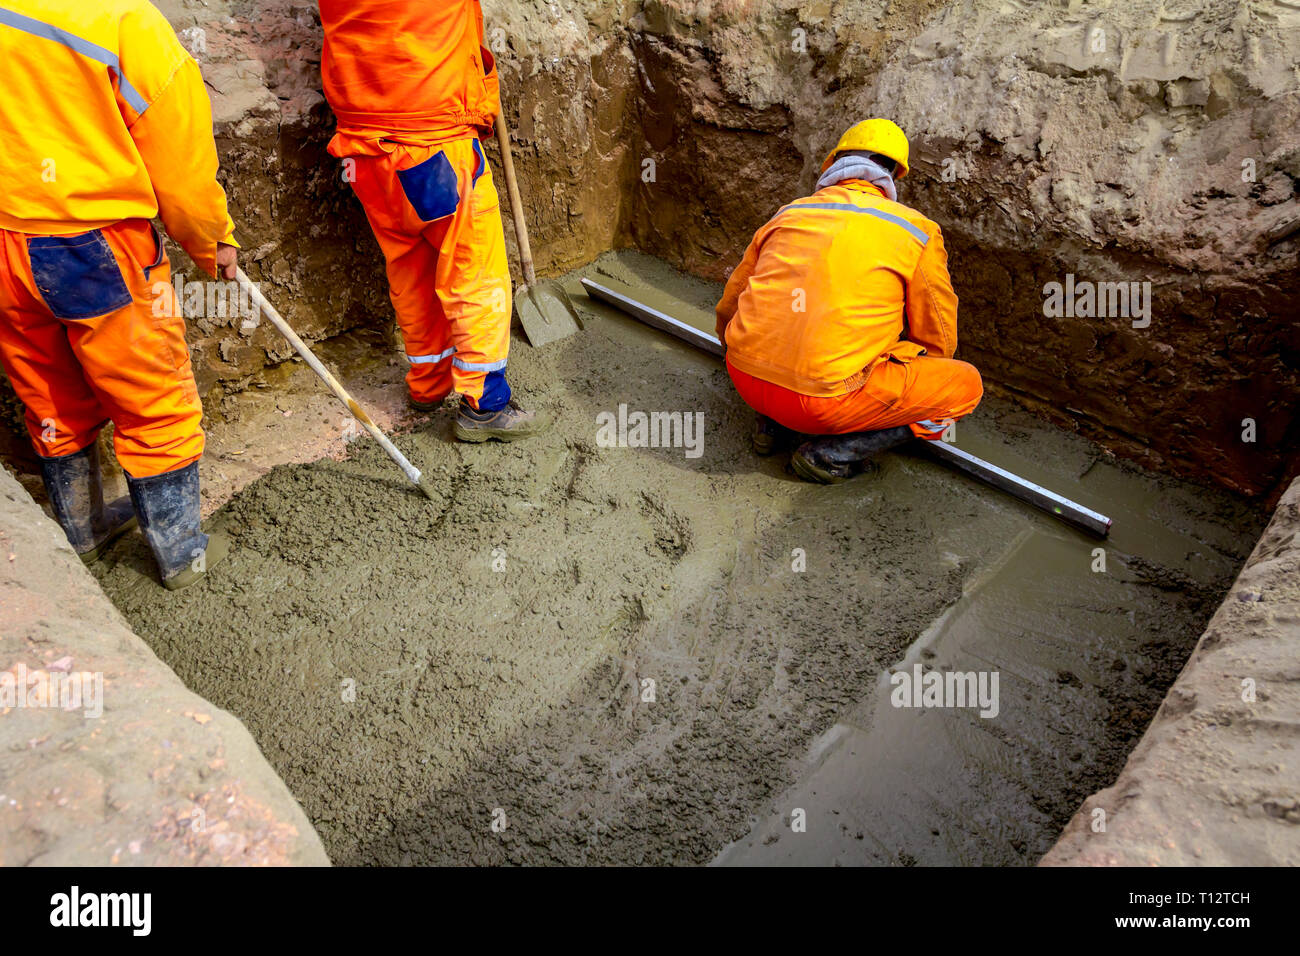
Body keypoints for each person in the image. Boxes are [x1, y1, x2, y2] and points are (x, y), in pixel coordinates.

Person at [0, 0, 238, 588]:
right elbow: (181, 170)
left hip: (6, 241)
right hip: (93, 244)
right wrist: (213, 243)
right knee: (151, 396)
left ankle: (82, 529)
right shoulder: (123, 20)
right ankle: (181, 552)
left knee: (47, 388)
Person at [318, 0, 548, 441]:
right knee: (473, 274)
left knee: (410, 268)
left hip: (364, 152)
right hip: (434, 147)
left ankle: (427, 385)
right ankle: (487, 404)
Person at [716, 118, 983, 483]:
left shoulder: (789, 213)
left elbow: (730, 305)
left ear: (834, 165)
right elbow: (936, 331)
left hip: (744, 377)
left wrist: (742, 357)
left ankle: (770, 426)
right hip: (823, 407)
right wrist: (913, 373)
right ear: (892, 174)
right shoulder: (915, 230)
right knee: (966, 385)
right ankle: (832, 453)